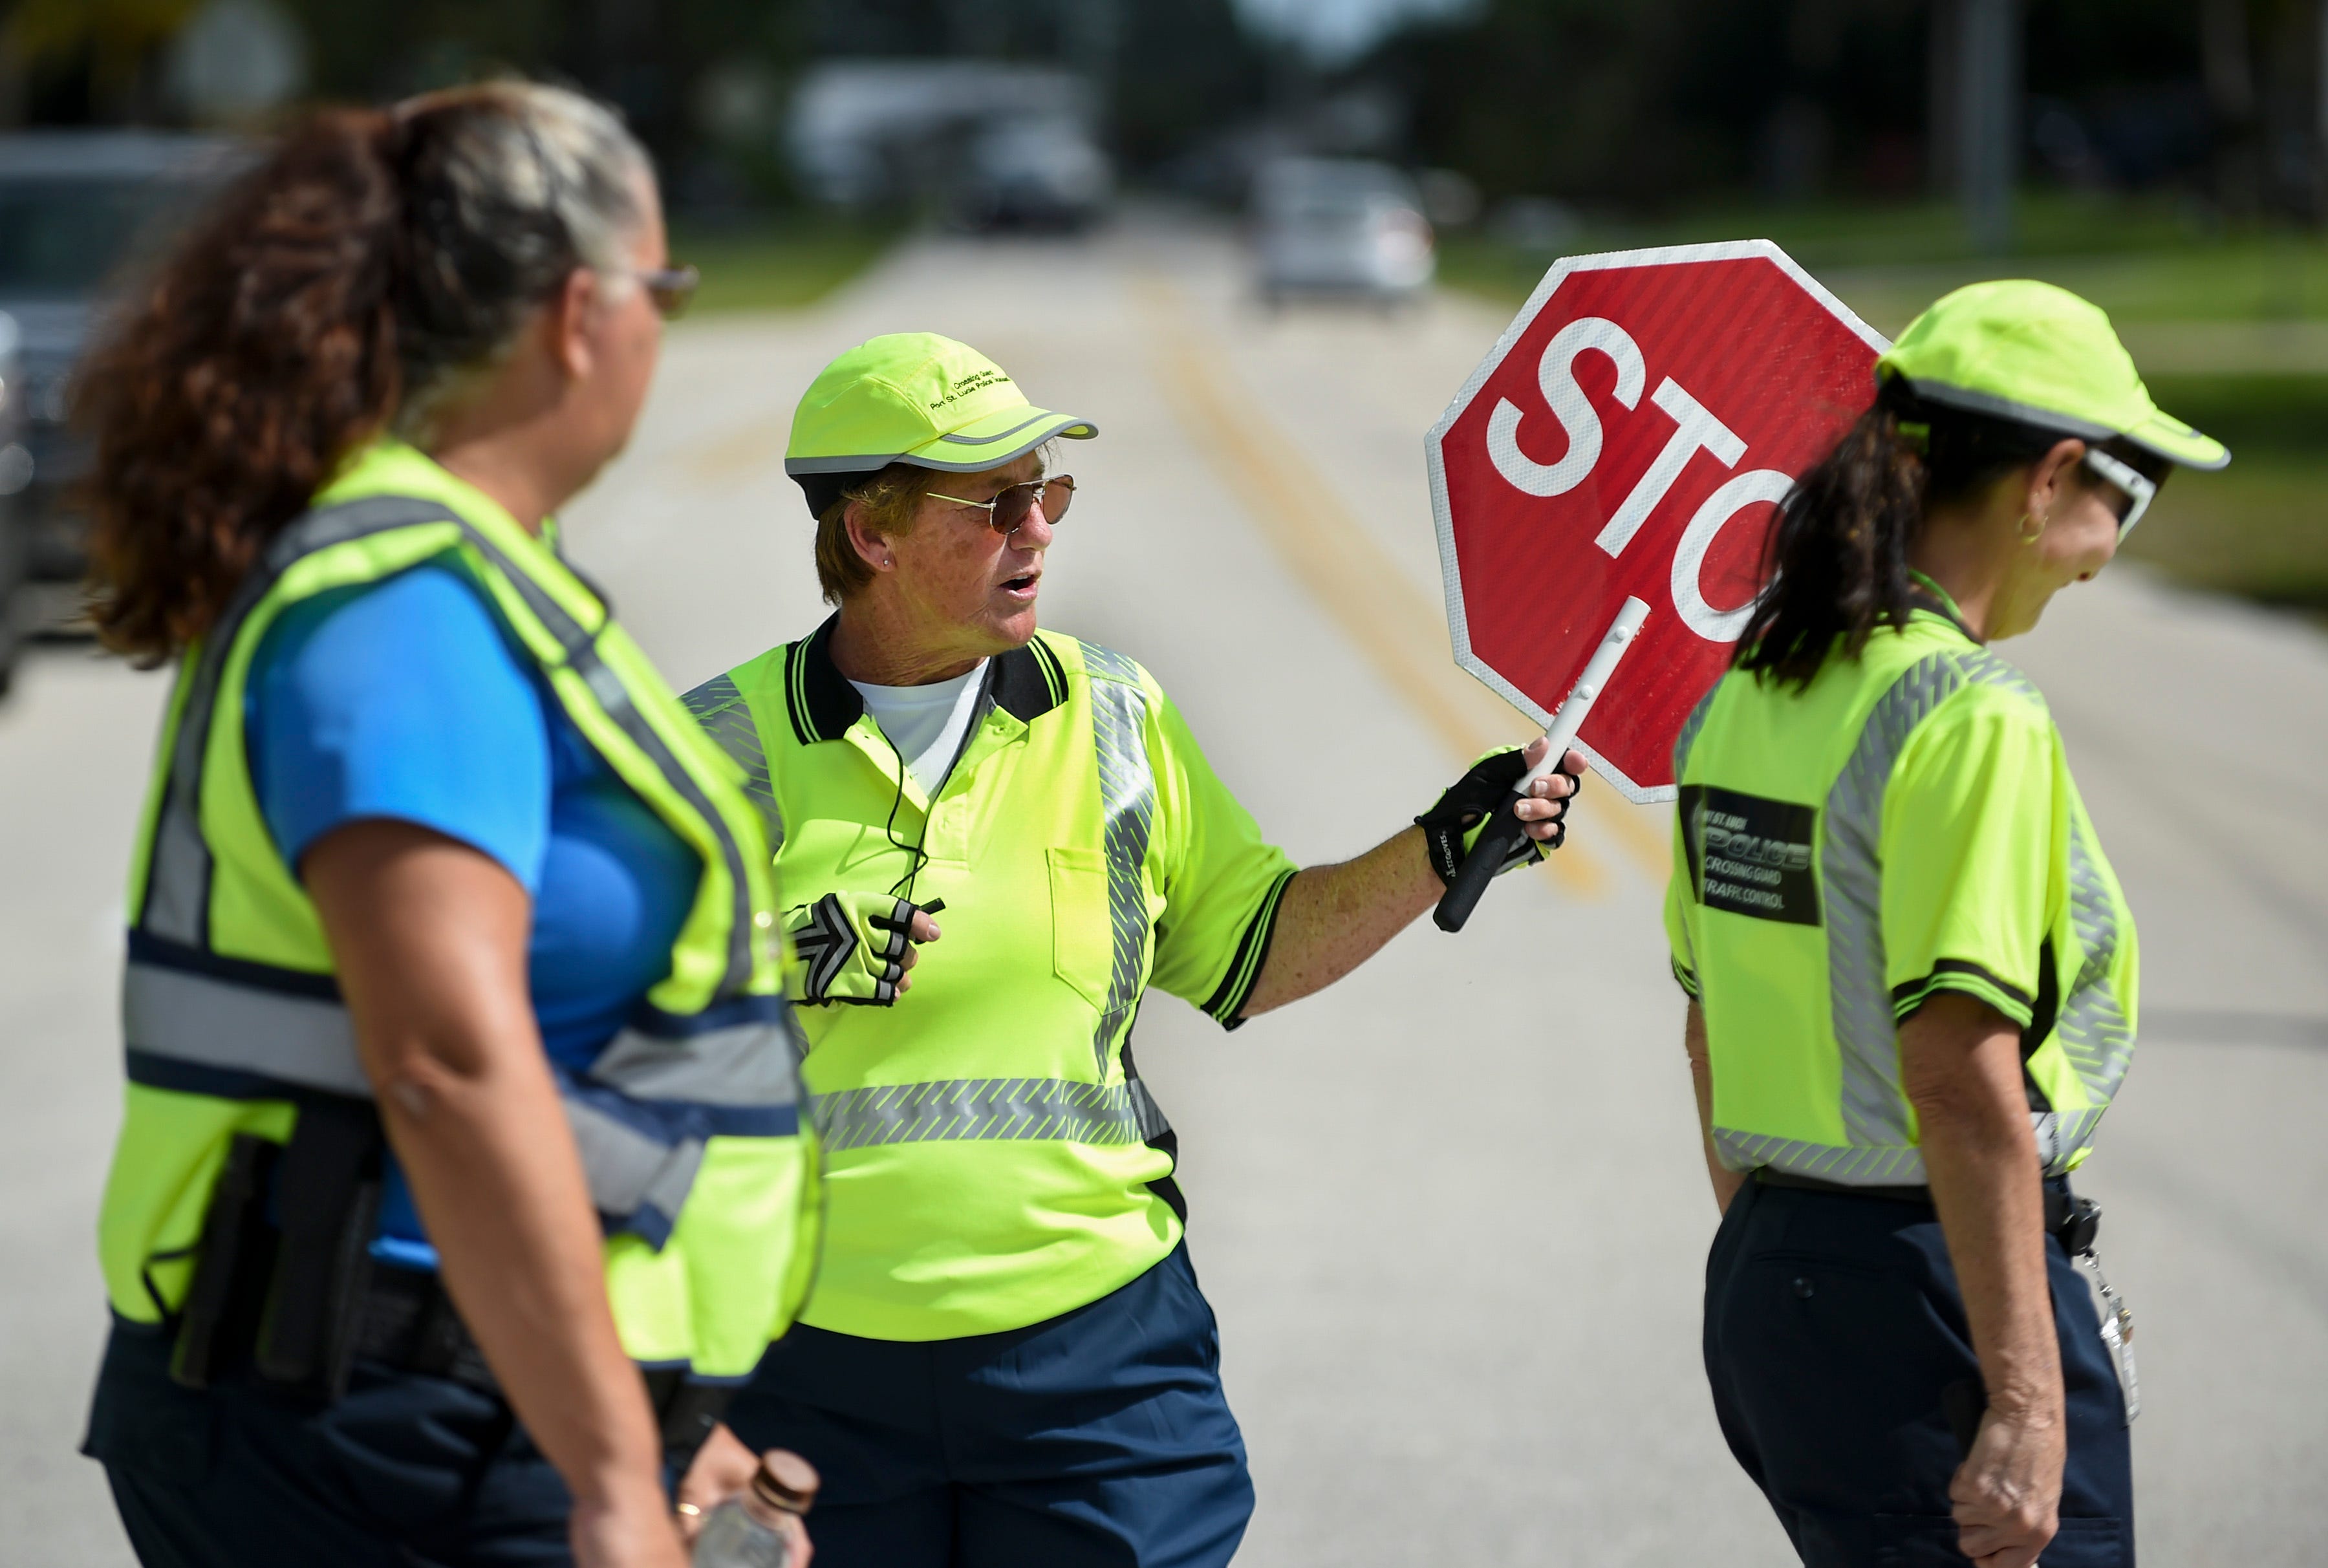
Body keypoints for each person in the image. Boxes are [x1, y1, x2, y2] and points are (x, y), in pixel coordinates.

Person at [676, 331, 1581, 1567]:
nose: (1038, 529)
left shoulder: (1115, 715)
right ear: (872, 534)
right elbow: (592, 1034)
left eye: (1048, 493)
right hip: (808, 1366)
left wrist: (1433, 847)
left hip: (1095, 1359)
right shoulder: (710, 750)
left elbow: (1253, 950)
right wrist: (782, 952)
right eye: (996, 503)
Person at [76, 83, 819, 1568]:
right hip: (374, 1431)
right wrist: (613, 1475)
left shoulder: (461, 574)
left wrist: (656, 1427)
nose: (665, 332)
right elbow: (447, 1061)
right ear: (577, 312)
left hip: (456, 1396)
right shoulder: (405, 610)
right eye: (666, 291)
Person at [1667, 280, 2226, 1568]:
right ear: (2053, 477)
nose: (2109, 548)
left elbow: (1709, 1026)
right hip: (1932, 1292)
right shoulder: (1969, 715)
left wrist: (1795, 1267)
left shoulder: (1750, 694)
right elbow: (1960, 1074)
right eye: (2125, 501)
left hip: (1774, 1277)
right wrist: (2028, 1403)